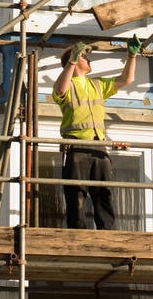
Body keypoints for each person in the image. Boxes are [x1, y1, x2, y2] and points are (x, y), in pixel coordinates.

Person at [54, 36, 142, 229]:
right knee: (76, 194)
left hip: (98, 147)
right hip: (77, 147)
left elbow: (126, 79)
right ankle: (77, 234)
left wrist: (132, 56)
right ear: (75, 61)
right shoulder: (67, 85)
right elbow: (60, 89)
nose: (89, 59)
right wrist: (72, 61)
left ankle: (107, 233)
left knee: (104, 193)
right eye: (85, 57)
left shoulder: (97, 85)